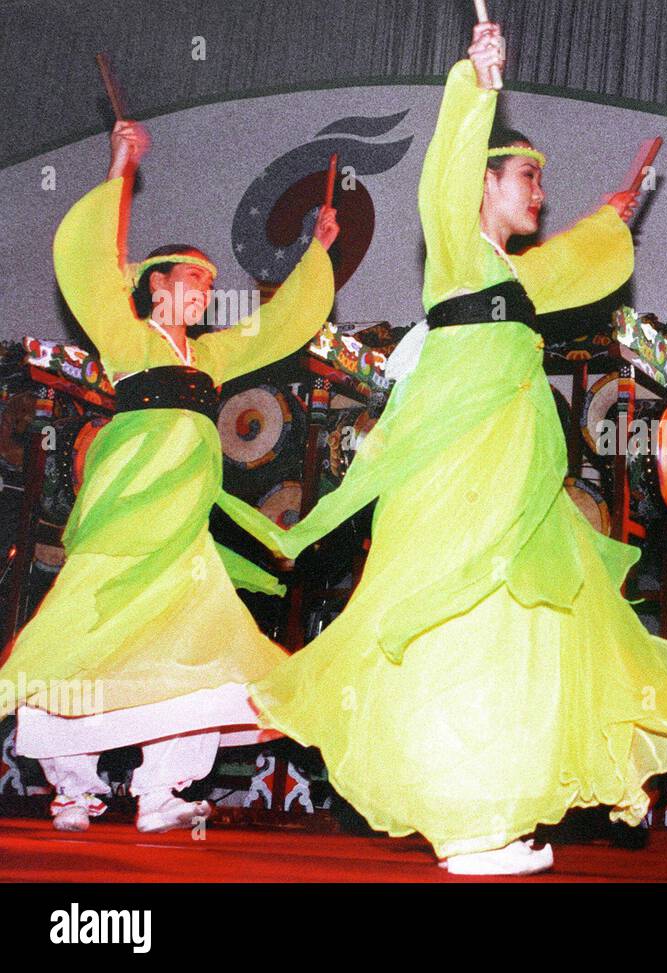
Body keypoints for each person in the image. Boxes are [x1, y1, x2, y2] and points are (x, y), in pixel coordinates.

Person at [250, 21, 667, 876]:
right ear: (481, 184)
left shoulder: (510, 279)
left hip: (516, 488)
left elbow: (566, 267)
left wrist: (607, 221)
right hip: (456, 480)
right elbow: (441, 177)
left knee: (518, 631)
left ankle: (491, 805)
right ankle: (462, 821)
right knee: (459, 628)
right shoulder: (455, 252)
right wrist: (477, 86)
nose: (539, 194)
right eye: (525, 177)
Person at [0, 117, 339, 833]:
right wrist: (120, 164)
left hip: (183, 535)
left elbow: (277, 327)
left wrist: (318, 255)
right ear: (157, 287)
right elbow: (98, 259)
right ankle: (73, 784)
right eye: (194, 278)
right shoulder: (126, 336)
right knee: (81, 636)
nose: (205, 291)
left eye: (211, 284)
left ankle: (162, 789)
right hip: (123, 523)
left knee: (198, 645)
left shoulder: (210, 359)